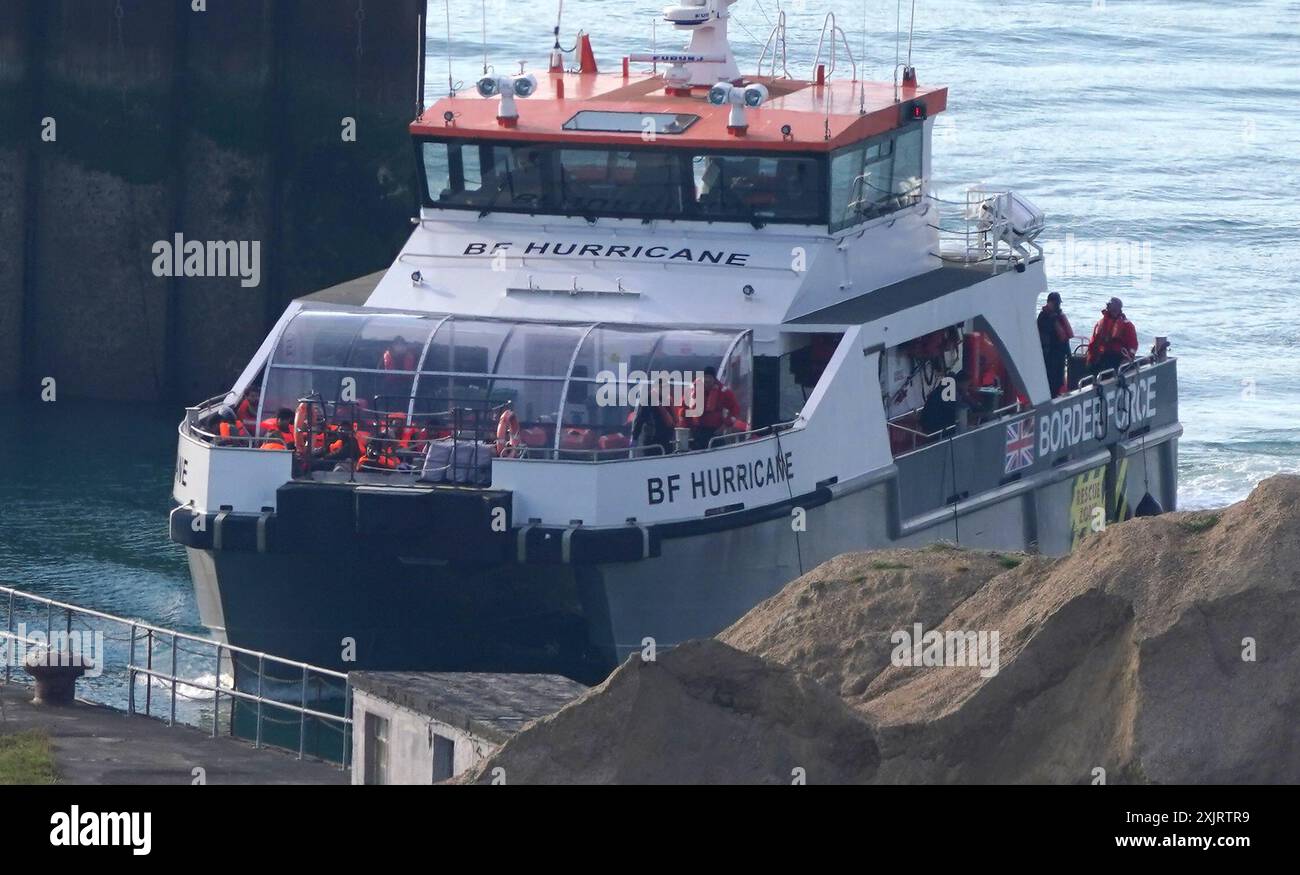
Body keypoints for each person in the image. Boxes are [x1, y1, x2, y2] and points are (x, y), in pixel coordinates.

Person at [680, 366, 739, 451]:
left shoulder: (723, 392)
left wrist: (726, 424)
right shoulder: (692, 389)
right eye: (705, 377)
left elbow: (735, 408)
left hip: (715, 431)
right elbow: (683, 408)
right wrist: (685, 428)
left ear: (714, 379)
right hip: (696, 430)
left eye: (709, 377)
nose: (707, 380)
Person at [1086, 297, 1138, 375]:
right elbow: (1093, 343)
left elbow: (1133, 345)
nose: (1107, 307)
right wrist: (1090, 359)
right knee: (1094, 370)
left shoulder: (1127, 325)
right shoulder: (1100, 324)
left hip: (1118, 358)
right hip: (1102, 357)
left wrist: (1127, 359)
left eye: (1110, 306)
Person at [1037, 292, 1074, 398]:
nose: (1058, 305)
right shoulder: (1043, 316)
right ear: (1049, 302)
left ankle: (1056, 393)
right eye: (1055, 303)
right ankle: (1050, 395)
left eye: (1058, 303)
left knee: (1059, 377)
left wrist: (1068, 352)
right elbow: (1044, 332)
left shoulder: (1059, 316)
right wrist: (1052, 319)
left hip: (1060, 352)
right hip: (1049, 352)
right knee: (1050, 376)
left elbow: (1065, 338)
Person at [919, 370, 971, 436]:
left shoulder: (944, 387)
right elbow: (953, 411)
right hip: (936, 427)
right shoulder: (950, 393)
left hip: (927, 423)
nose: (967, 388)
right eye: (967, 385)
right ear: (963, 383)